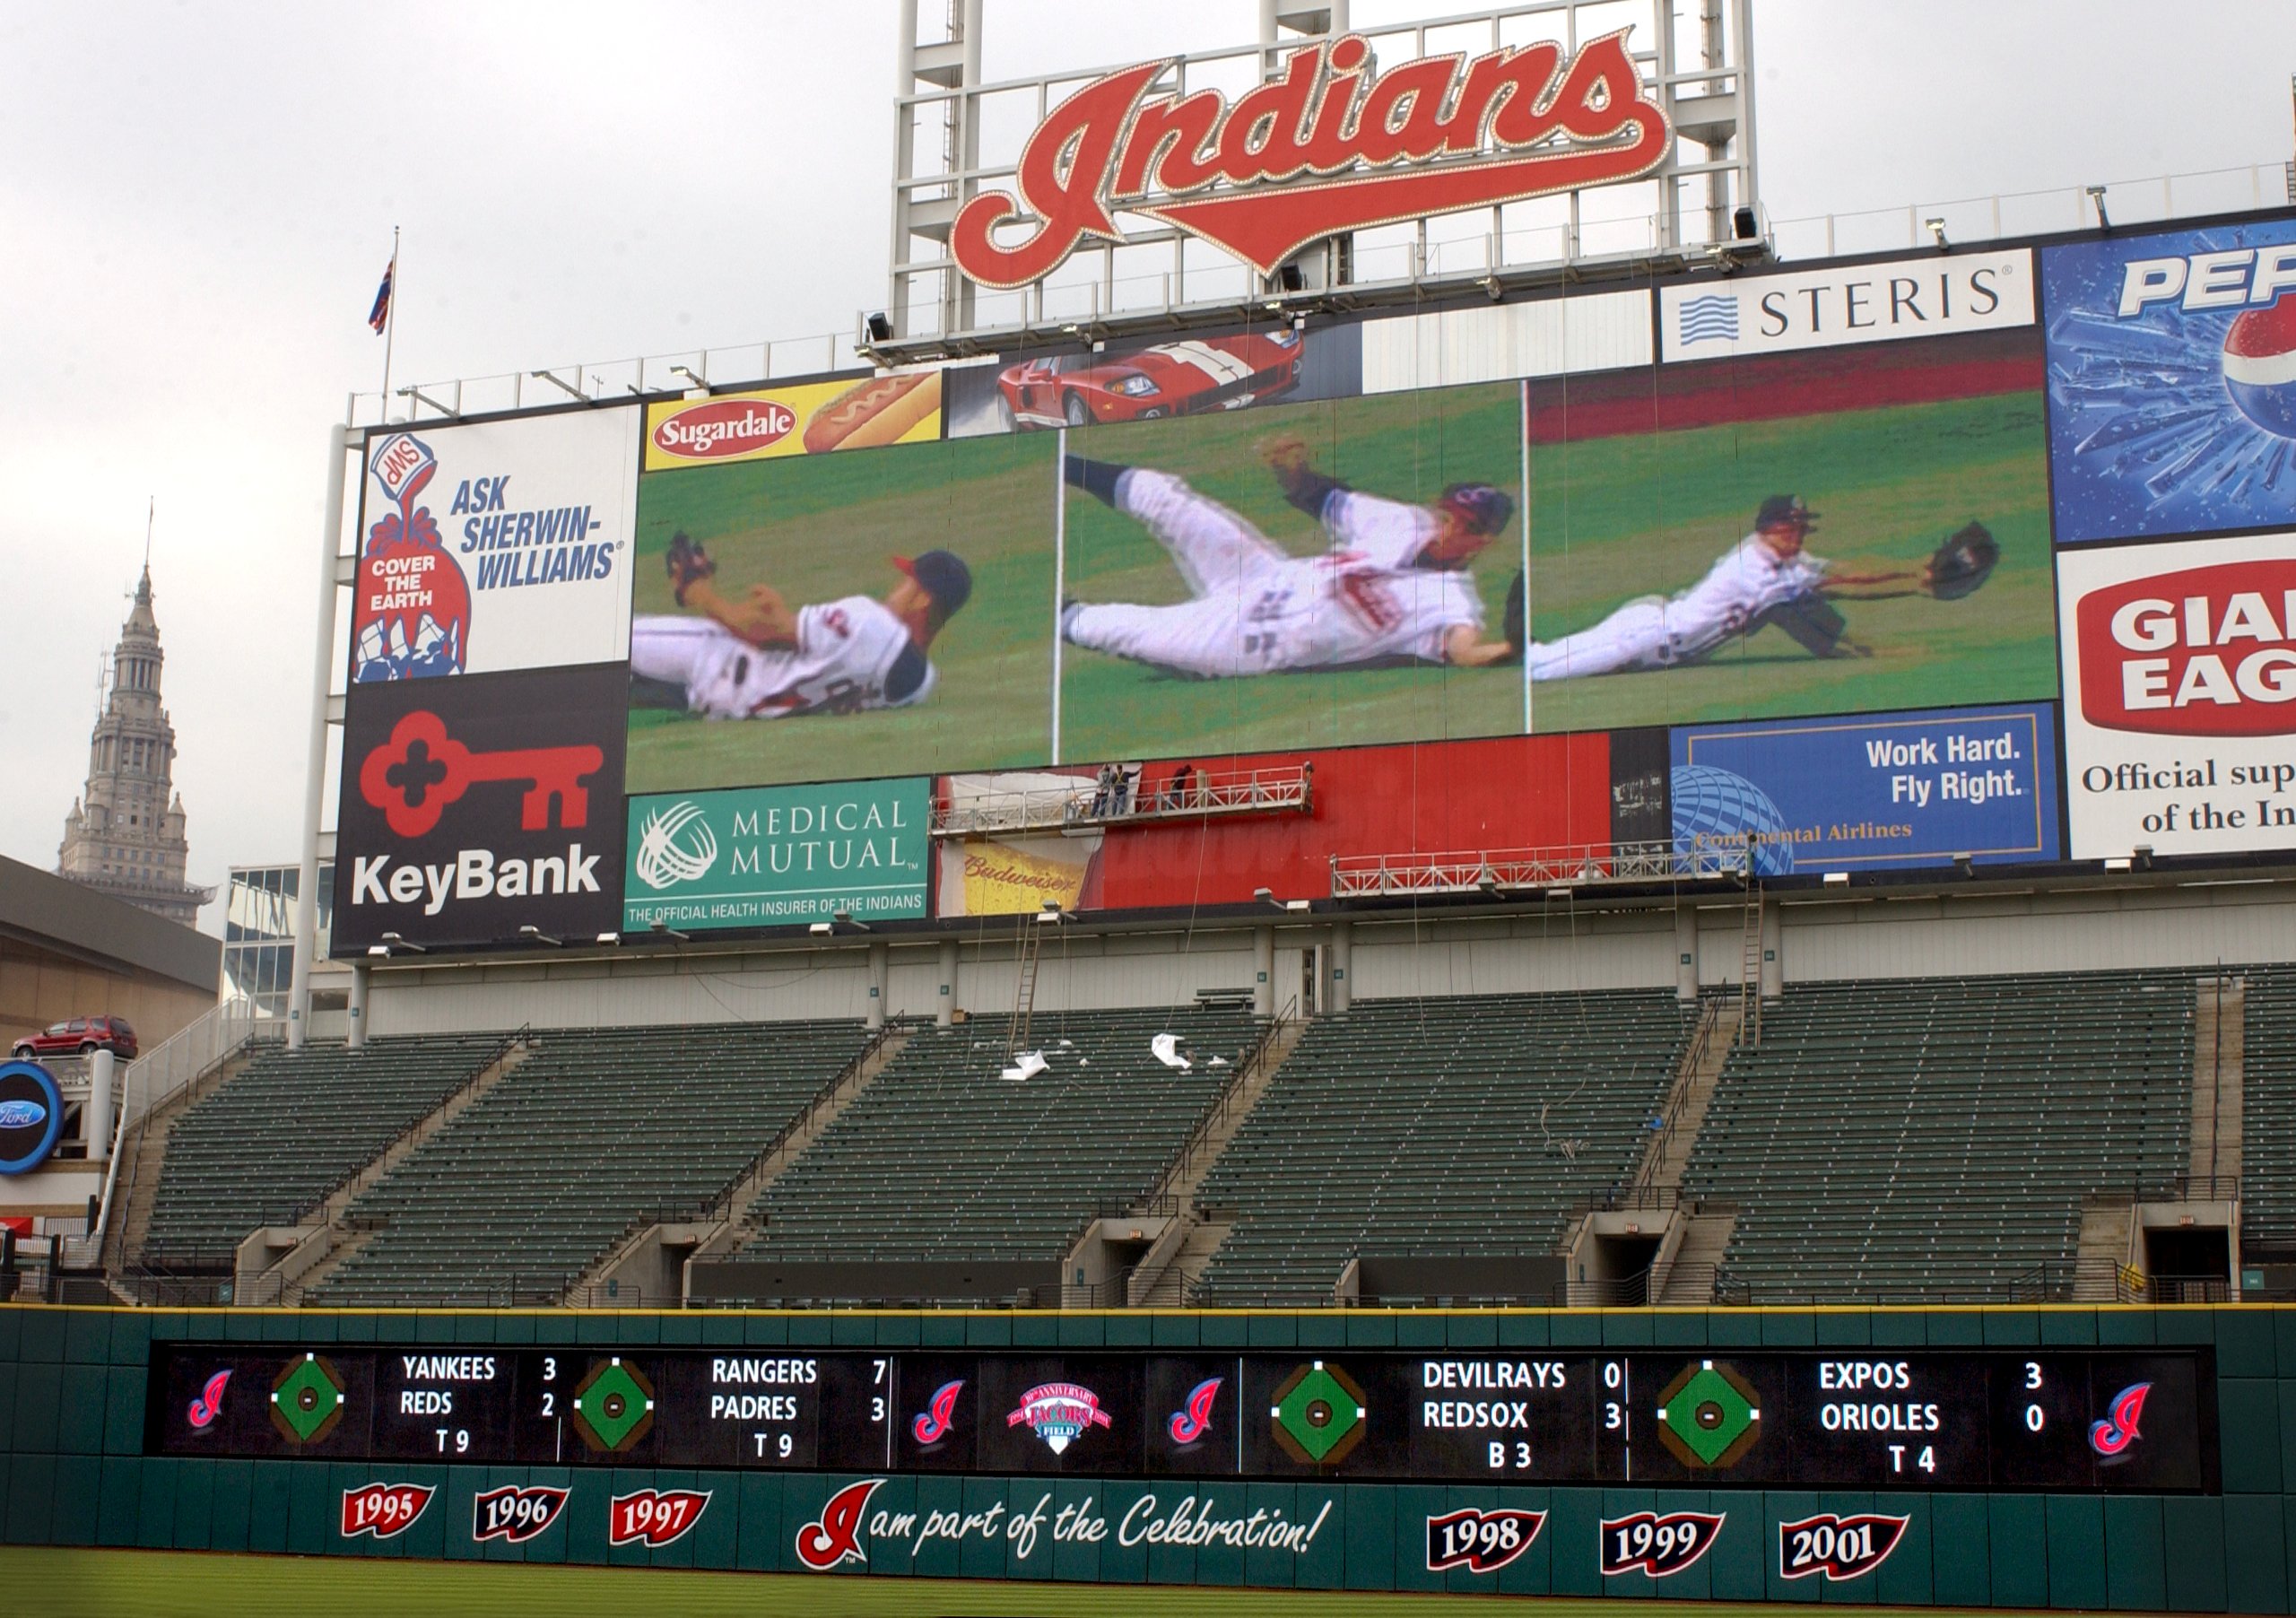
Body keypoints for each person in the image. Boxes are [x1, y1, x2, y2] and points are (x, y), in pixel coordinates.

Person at [1058, 437, 1519, 678]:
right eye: (1450, 513)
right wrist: (1291, 469)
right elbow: (1325, 499)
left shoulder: (1452, 602)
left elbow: (1463, 650)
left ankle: (1060, 614)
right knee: (1164, 497)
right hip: (1262, 574)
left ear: (1482, 541)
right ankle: (1056, 457)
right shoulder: (1406, 522)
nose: (1450, 525)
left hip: (1243, 642)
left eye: (1466, 525)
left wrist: (1508, 649)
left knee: (1097, 624)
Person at [1522, 495, 1931, 680]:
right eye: (1793, 526)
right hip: (1648, 634)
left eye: (1803, 527)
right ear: (1769, 530)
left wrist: (1914, 572)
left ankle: (1521, 647)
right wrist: (1913, 585)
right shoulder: (1753, 568)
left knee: (1549, 661)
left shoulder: (1789, 562)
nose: (1801, 534)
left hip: (1662, 634)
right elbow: (1841, 585)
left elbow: (1845, 569)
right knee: (1542, 670)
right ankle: (1515, 647)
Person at [629, 535, 970, 718]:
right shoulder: (917, 686)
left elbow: (761, 635)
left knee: (610, 643)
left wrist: (699, 592)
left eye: (906, 581)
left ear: (922, 600)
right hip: (734, 706)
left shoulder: (870, 620)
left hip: (717, 657)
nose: (895, 588)